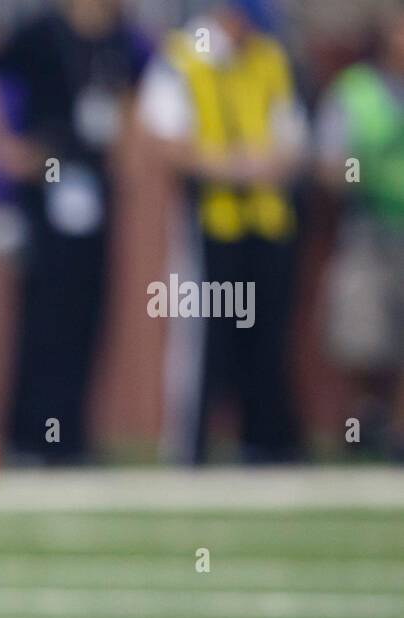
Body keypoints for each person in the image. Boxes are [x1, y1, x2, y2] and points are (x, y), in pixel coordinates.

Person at [138, 0, 306, 464]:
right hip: (208, 215)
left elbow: (294, 137)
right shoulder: (183, 55)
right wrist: (234, 167)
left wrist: (266, 166)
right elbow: (162, 138)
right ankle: (191, 448)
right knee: (204, 333)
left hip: (267, 218)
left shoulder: (269, 56)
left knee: (265, 330)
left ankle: (266, 443)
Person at [0, 0, 149, 465]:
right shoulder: (39, 33)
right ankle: (30, 433)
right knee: (44, 310)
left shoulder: (123, 40)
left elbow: (135, 94)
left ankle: (72, 433)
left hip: (96, 185)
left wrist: (127, 152)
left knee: (90, 309)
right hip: (47, 185)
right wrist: (6, 150)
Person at [316, 1, 404, 460]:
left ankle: (396, 431)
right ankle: (363, 423)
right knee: (365, 336)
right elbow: (330, 165)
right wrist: (362, 175)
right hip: (369, 227)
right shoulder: (358, 91)